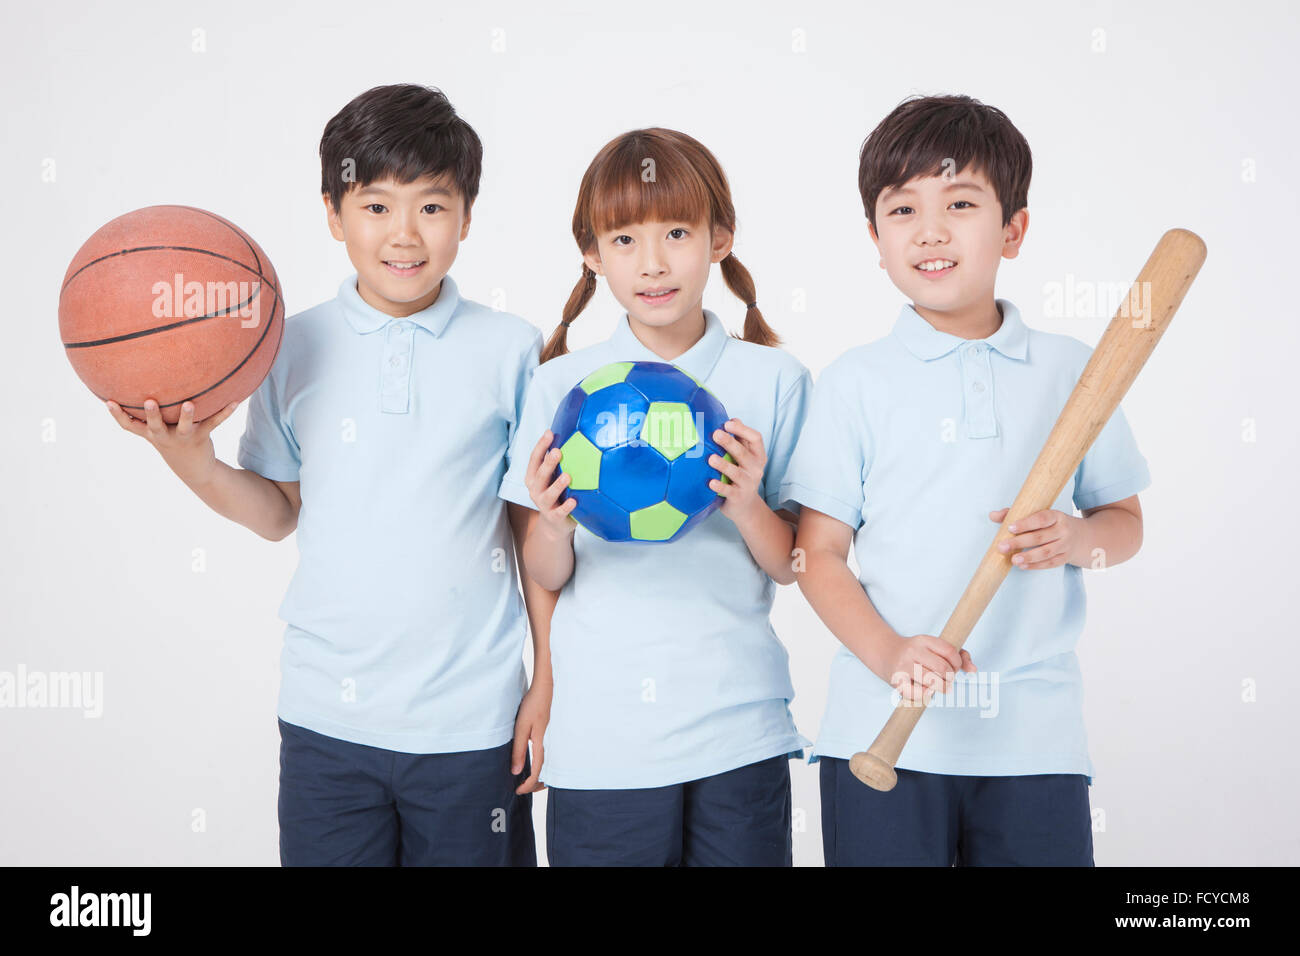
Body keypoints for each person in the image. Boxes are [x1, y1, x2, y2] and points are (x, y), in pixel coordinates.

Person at [106, 83, 553, 866]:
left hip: (469, 724)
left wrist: (546, 681)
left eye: (432, 207)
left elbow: (532, 536)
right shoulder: (288, 347)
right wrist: (190, 461)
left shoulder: (513, 350)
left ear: (469, 217)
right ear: (332, 213)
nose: (404, 234)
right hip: (326, 725)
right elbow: (280, 511)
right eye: (376, 206)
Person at [782, 94, 1149, 866]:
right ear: (875, 238)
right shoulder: (854, 382)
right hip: (881, 732)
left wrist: (1080, 539)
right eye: (903, 208)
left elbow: (1125, 523)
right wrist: (888, 654)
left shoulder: (1072, 372)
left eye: (960, 203)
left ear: (1013, 229)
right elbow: (815, 555)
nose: (931, 230)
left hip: (1034, 741)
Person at [499, 128, 811, 866]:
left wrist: (746, 505)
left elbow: (794, 564)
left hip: (739, 728)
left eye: (677, 232)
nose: (654, 262)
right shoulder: (556, 386)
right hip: (603, 738)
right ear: (592, 254)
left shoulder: (774, 379)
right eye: (625, 238)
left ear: (719, 239)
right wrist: (551, 523)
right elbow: (544, 573)